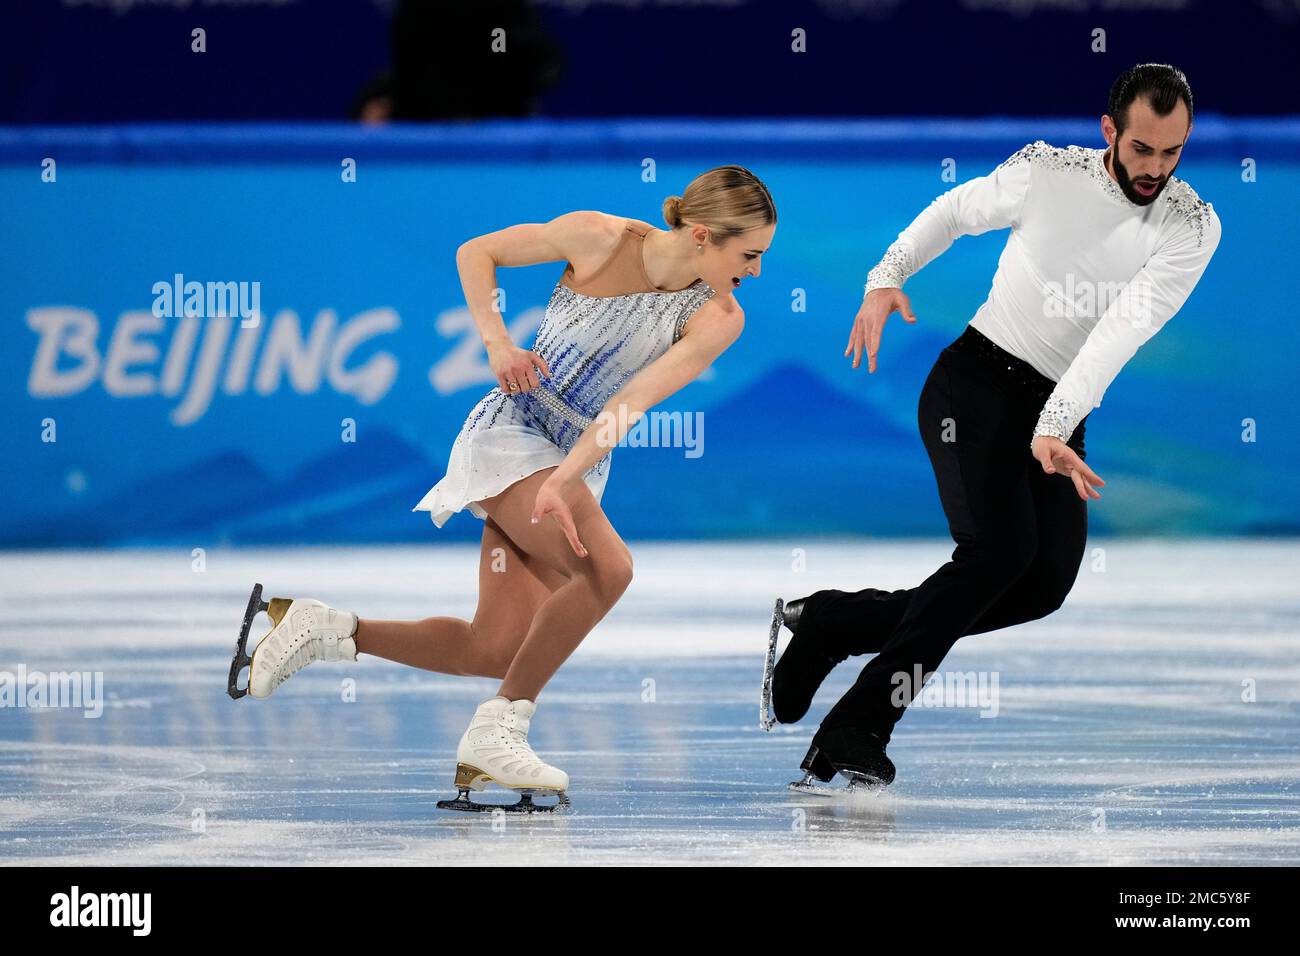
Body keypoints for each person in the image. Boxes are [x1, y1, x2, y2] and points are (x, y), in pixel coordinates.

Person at [232, 166, 776, 810]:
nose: (756, 272)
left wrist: (568, 479)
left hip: (574, 458)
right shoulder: (598, 237)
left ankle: (317, 626)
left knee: (494, 647)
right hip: (512, 431)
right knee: (608, 571)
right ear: (704, 235)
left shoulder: (720, 317)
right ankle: (501, 729)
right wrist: (497, 344)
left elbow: (631, 402)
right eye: (750, 255)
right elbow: (477, 252)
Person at [765, 63, 1221, 791]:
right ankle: (862, 722)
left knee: (1039, 585)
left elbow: (1124, 330)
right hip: (973, 388)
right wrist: (886, 275)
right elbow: (954, 212)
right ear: (1110, 131)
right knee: (997, 553)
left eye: (1172, 153)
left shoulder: (1191, 225)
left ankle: (836, 622)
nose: (1155, 170)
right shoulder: (1047, 172)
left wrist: (1059, 422)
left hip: (1057, 409)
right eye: (1142, 149)